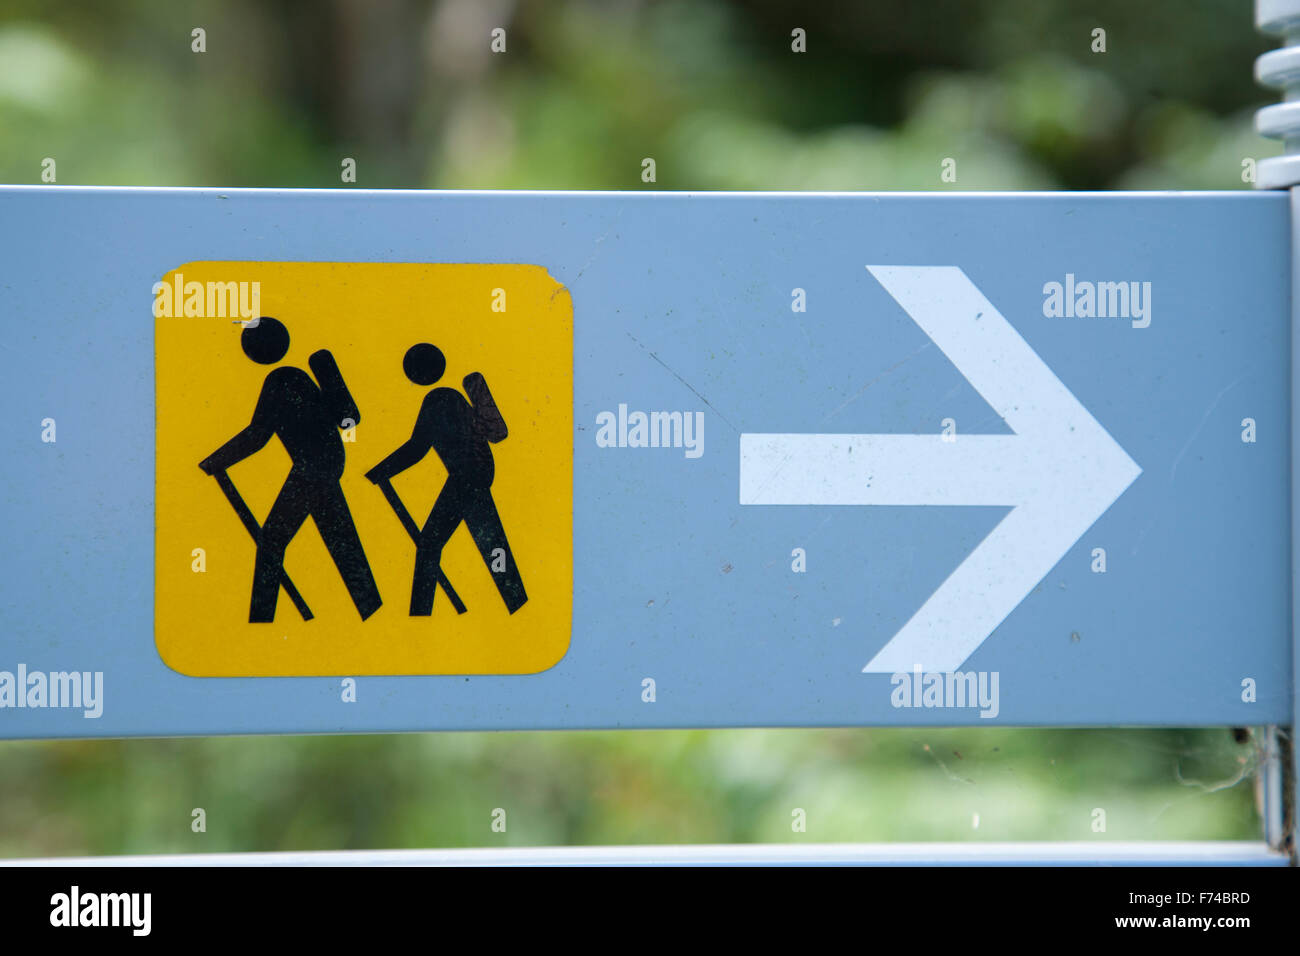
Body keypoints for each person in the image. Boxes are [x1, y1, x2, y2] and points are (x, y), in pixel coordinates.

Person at [199, 317, 382, 623]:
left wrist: (215, 461)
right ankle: (371, 608)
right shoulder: (297, 377)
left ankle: (261, 620)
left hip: (312, 467)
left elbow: (258, 435)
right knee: (341, 539)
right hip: (328, 462)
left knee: (272, 539)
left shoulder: (280, 380)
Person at [366, 343, 527, 616]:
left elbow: (417, 448)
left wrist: (380, 471)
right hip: (477, 474)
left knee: (430, 544)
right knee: (491, 542)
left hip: (466, 476)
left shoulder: (437, 399)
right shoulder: (450, 397)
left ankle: (420, 614)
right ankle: (517, 603)